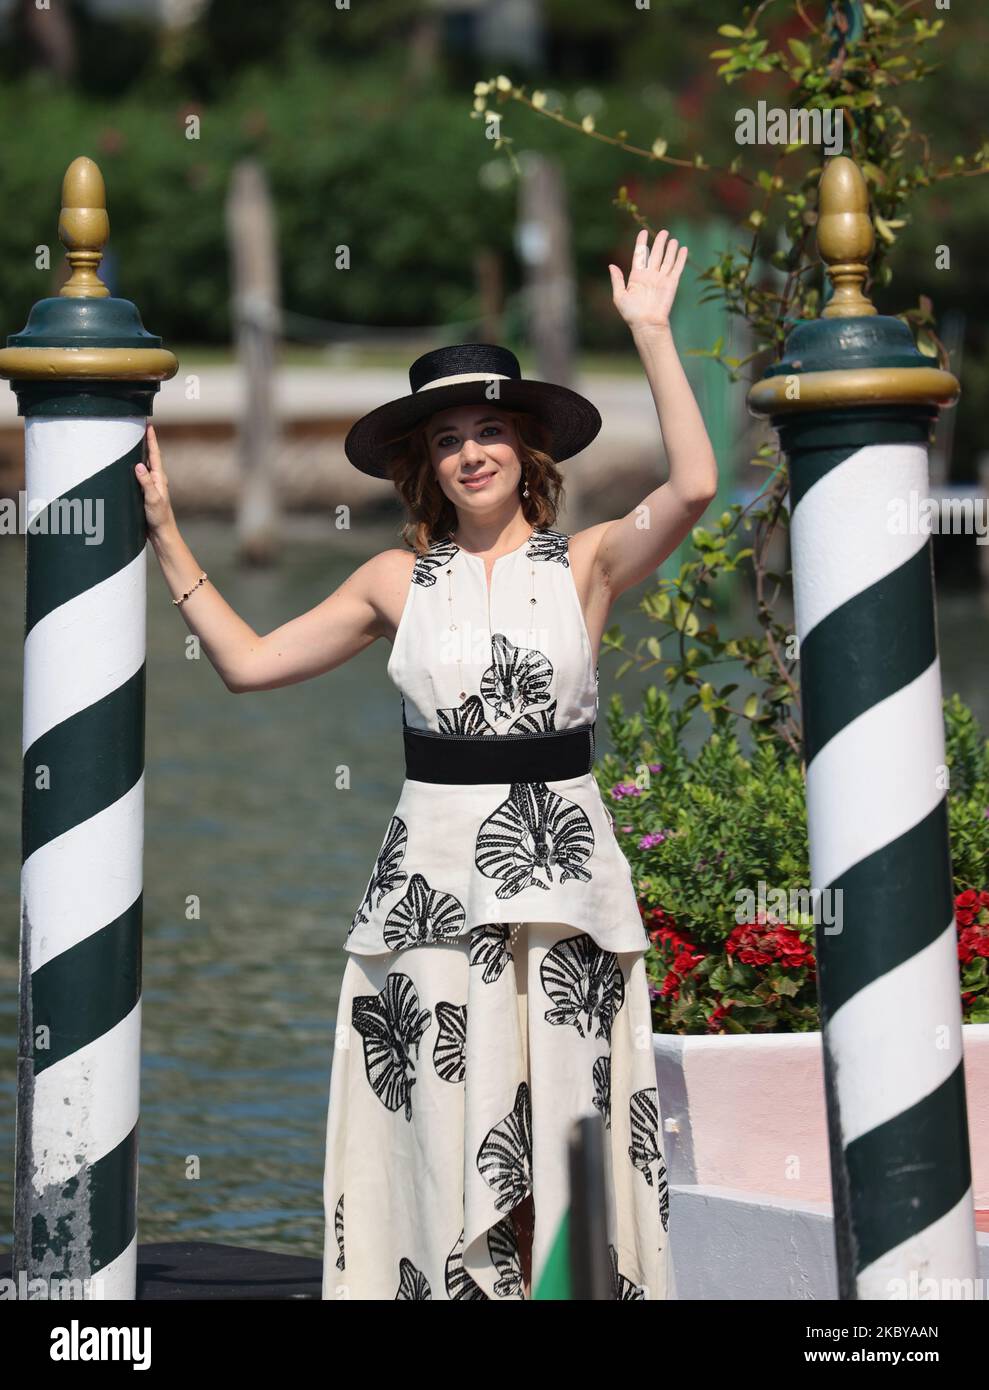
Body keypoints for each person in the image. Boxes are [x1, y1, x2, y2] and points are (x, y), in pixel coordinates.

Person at [137, 228, 718, 1300]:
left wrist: (649, 335)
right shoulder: (391, 580)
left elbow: (690, 485)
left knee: (568, 1133)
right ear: (425, 464)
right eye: (447, 438)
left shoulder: (585, 562)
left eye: (489, 429)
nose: (470, 452)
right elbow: (249, 665)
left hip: (565, 895)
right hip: (428, 897)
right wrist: (169, 534)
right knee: (443, 1136)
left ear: (527, 447)